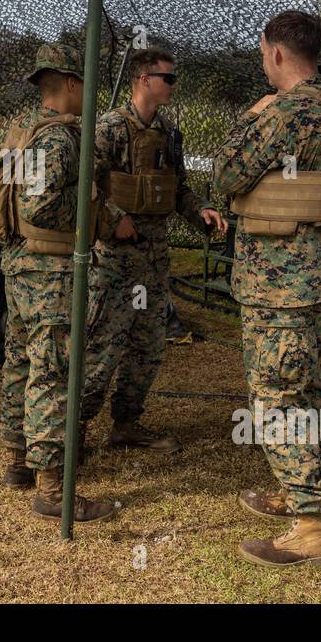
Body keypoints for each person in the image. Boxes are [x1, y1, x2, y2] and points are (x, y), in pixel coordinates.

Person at [211, 9, 321, 567]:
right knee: (308, 388)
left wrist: (254, 115)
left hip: (281, 284)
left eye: (262, 53)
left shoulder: (285, 114)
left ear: (275, 52)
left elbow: (227, 175)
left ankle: (312, 524)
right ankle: (300, 491)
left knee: (277, 396)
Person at [81, 45, 227, 456]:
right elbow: (83, 187)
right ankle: (73, 432)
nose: (173, 86)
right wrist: (112, 219)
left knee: (147, 346)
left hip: (153, 257)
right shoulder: (109, 128)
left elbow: (177, 187)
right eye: (168, 78)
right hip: (114, 259)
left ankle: (126, 424)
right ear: (144, 79)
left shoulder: (167, 133)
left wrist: (201, 211)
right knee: (102, 346)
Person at [0, 43, 115, 521]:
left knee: (20, 360)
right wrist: (94, 213)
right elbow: (40, 207)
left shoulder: (21, 132)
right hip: (49, 273)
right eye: (83, 84)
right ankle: (50, 487)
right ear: (67, 84)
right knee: (54, 373)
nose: (87, 93)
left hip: (19, 265)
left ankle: (16, 461)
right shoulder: (60, 140)